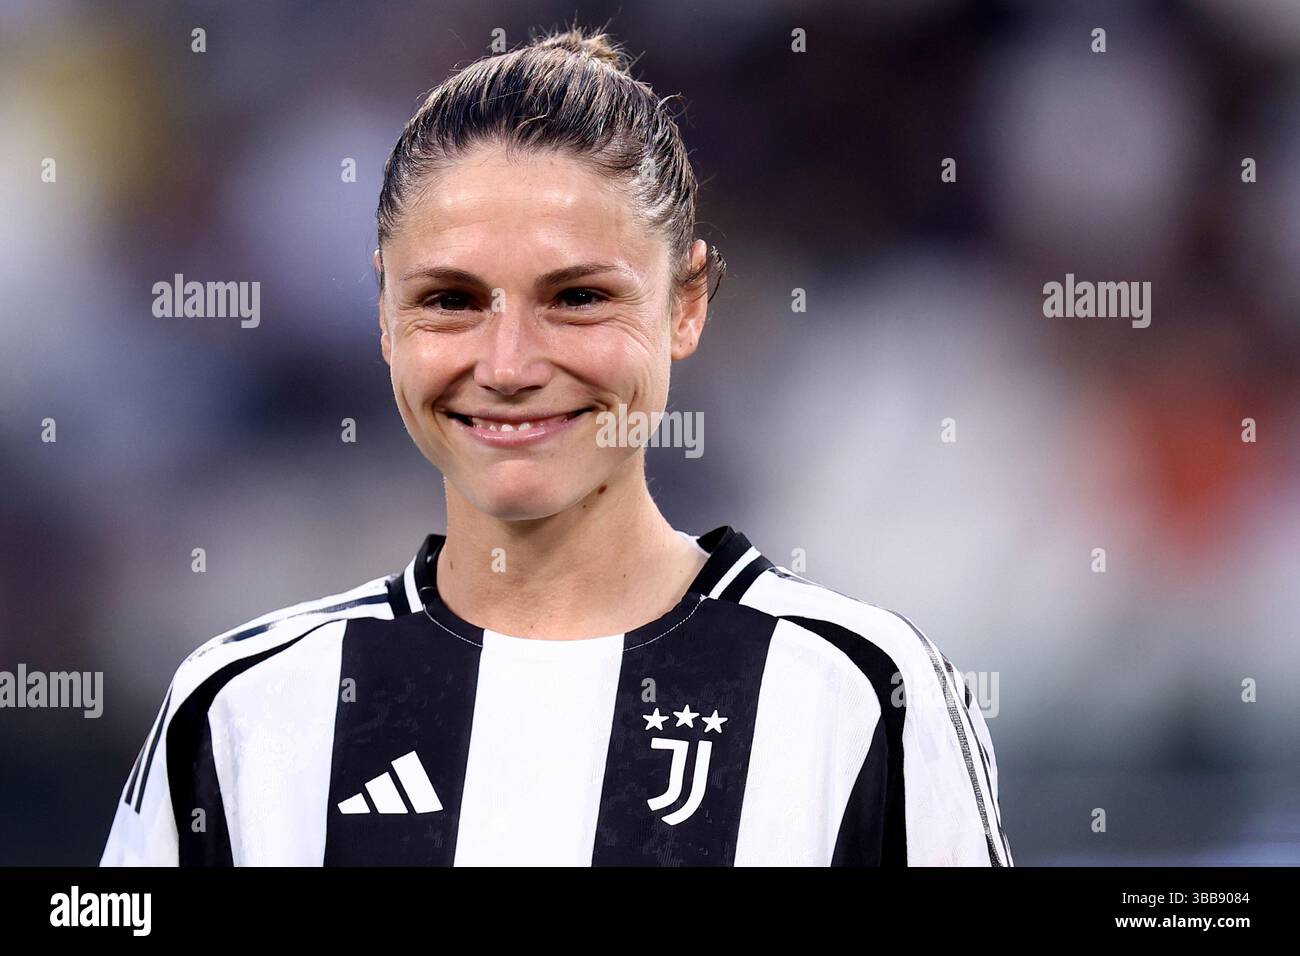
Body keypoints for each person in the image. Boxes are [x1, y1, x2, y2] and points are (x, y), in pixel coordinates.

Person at [100, 26, 1011, 866]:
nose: (507, 366)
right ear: (384, 314)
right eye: (452, 300)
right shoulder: (241, 716)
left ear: (686, 303)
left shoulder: (860, 696)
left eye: (577, 298)